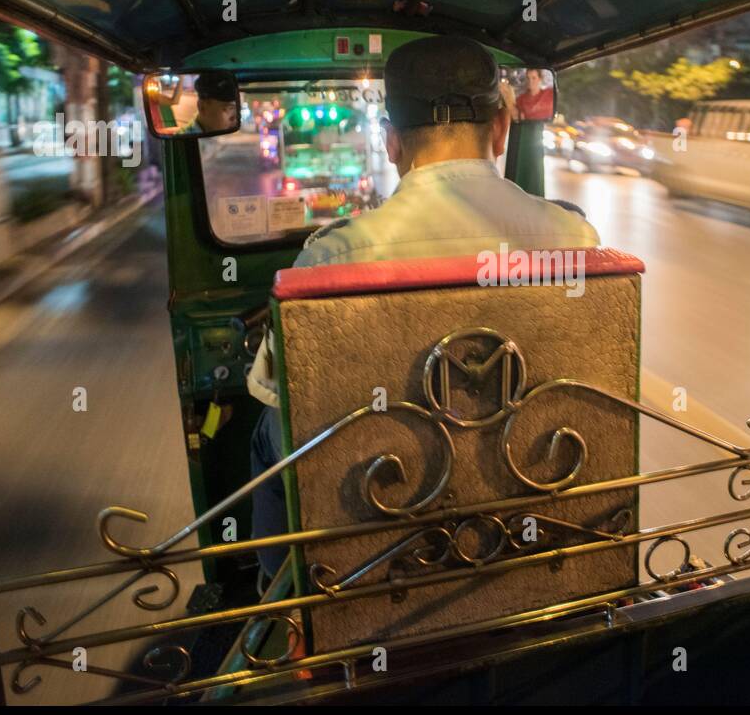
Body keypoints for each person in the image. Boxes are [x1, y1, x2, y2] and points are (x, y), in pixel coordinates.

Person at [246, 35, 599, 579]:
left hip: (385, 498)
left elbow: (279, 390)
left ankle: (283, 603)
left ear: (391, 142)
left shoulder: (332, 255)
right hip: (534, 481)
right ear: (501, 130)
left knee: (272, 431)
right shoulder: (574, 239)